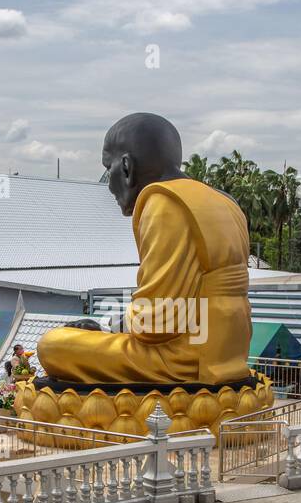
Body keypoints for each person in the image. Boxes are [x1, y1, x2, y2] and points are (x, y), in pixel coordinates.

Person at [35, 113, 251, 386]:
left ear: (126, 167)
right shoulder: (224, 201)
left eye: (107, 167)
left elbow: (156, 324)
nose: (108, 184)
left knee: (53, 346)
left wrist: (106, 328)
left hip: (182, 361)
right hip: (229, 354)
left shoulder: (164, 204)